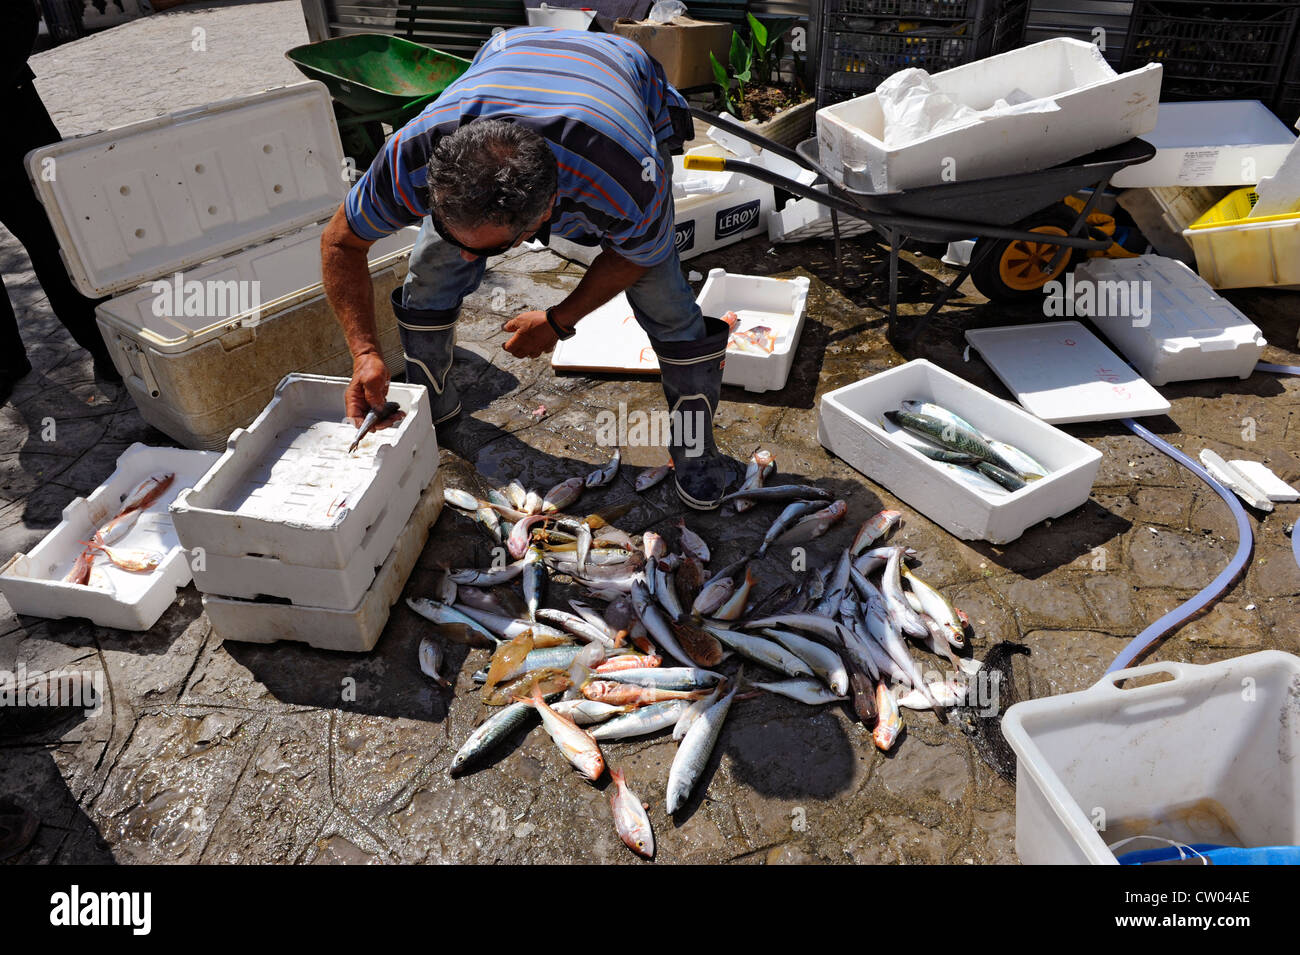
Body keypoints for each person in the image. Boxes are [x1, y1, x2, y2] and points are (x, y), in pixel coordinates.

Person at [321, 27, 735, 510]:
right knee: (431, 267)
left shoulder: (625, 172)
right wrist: (366, 352)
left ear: (546, 215)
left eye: (492, 249)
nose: (471, 258)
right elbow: (340, 242)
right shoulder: (413, 154)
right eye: (455, 232)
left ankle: (696, 449)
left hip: (618, 71)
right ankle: (433, 399)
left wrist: (558, 321)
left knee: (668, 304)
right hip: (509, 51)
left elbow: (633, 255)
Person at [1, 1, 120, 405]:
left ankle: (106, 346)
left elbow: (17, 14)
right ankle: (4, 365)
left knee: (55, 238)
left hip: (9, 117)